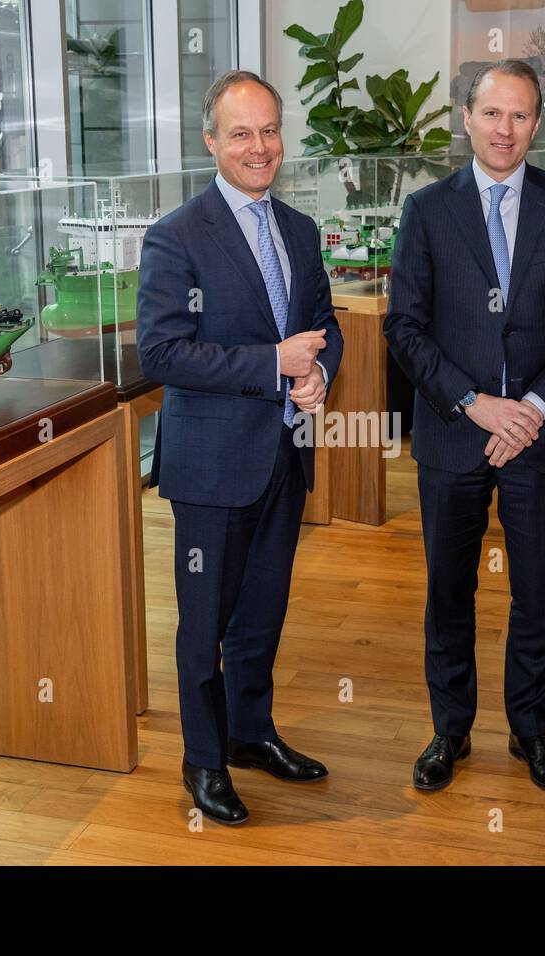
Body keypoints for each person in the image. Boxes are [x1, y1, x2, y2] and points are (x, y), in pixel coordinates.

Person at [383, 59, 545, 794]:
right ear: (467, 117)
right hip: (455, 433)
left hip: (541, 437)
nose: (504, 129)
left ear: (537, 124)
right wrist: (475, 402)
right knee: (449, 590)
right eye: (492, 114)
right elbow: (406, 329)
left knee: (535, 594)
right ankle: (449, 730)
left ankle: (531, 732)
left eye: (519, 116)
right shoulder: (426, 209)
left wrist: (534, 409)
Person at [137, 70, 344, 826]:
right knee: (205, 623)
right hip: (211, 468)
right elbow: (160, 353)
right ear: (210, 141)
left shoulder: (298, 230)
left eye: (268, 131)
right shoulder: (176, 235)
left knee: (262, 612)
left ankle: (252, 732)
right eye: (240, 133)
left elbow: (323, 324)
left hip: (284, 455)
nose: (259, 148)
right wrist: (274, 367)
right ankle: (203, 759)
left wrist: (319, 370)